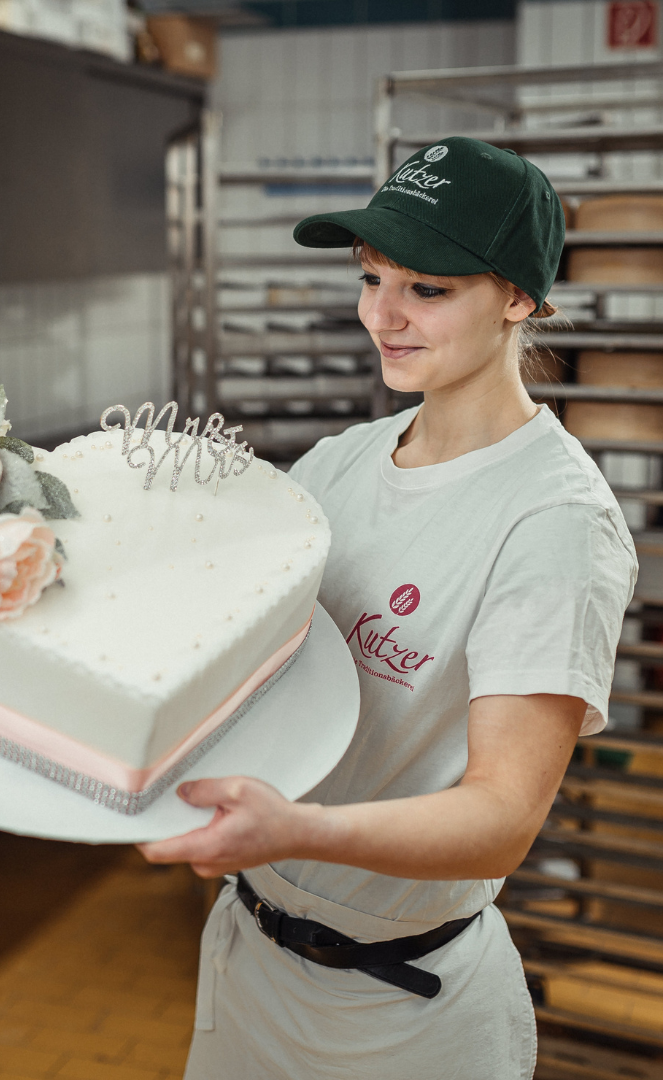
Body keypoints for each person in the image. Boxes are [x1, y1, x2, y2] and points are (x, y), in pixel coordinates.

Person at [138, 136, 638, 1079]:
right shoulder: (343, 462)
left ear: (518, 298)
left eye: (428, 289)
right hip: (250, 963)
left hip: (403, 1022)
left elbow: (502, 815)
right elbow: (243, 653)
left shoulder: (554, 523)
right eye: (372, 278)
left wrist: (297, 830)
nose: (383, 316)